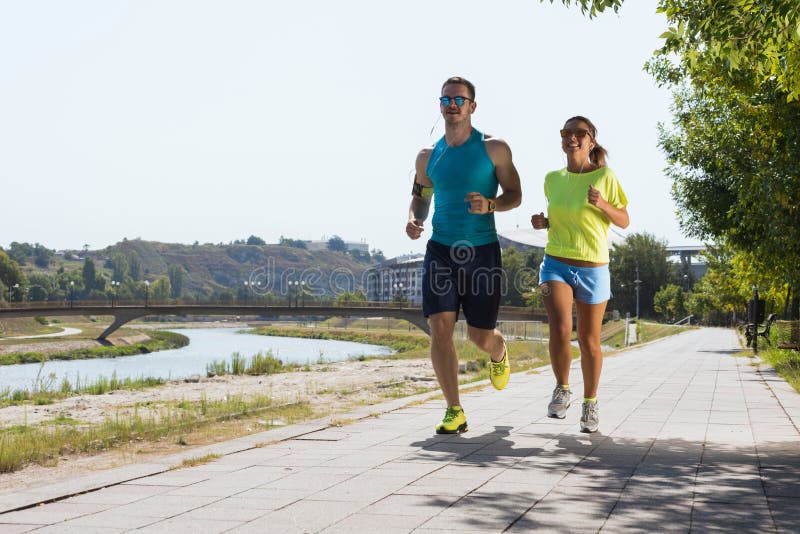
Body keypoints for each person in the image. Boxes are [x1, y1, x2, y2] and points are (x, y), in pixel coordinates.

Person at [406, 76, 522, 434]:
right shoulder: (427, 157)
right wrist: (413, 218)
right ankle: (454, 409)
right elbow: (420, 198)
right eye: (446, 99)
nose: (452, 105)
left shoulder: (494, 149)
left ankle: (498, 349)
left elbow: (515, 194)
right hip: (440, 250)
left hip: (482, 251)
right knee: (439, 327)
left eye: (459, 100)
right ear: (440, 105)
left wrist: (491, 204)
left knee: (478, 335)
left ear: (472, 106)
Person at [531, 116, 629, 433]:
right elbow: (563, 218)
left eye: (579, 133)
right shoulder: (552, 179)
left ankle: (590, 403)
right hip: (556, 262)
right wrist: (543, 223)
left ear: (591, 141)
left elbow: (624, 220)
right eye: (566, 132)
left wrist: (602, 204)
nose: (571, 137)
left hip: (593, 267)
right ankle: (562, 388)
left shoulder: (605, 177)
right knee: (559, 329)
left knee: (589, 341)